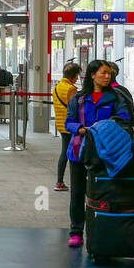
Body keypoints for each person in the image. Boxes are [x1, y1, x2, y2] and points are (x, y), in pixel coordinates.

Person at [65, 59, 134, 248]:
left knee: (106, 193)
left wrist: (105, 125)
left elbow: (125, 119)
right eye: (103, 73)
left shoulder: (116, 98)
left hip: (106, 152)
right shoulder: (78, 98)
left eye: (109, 74)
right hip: (79, 151)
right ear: (92, 75)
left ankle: (103, 231)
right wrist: (80, 128)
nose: (107, 77)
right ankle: (76, 232)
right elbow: (68, 122)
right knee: (77, 193)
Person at [52, 62, 81, 192]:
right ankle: (61, 181)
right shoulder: (71, 89)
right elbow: (75, 108)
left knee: (64, 152)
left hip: (60, 123)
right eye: (77, 75)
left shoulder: (57, 87)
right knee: (71, 153)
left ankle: (59, 181)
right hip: (71, 125)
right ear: (73, 76)